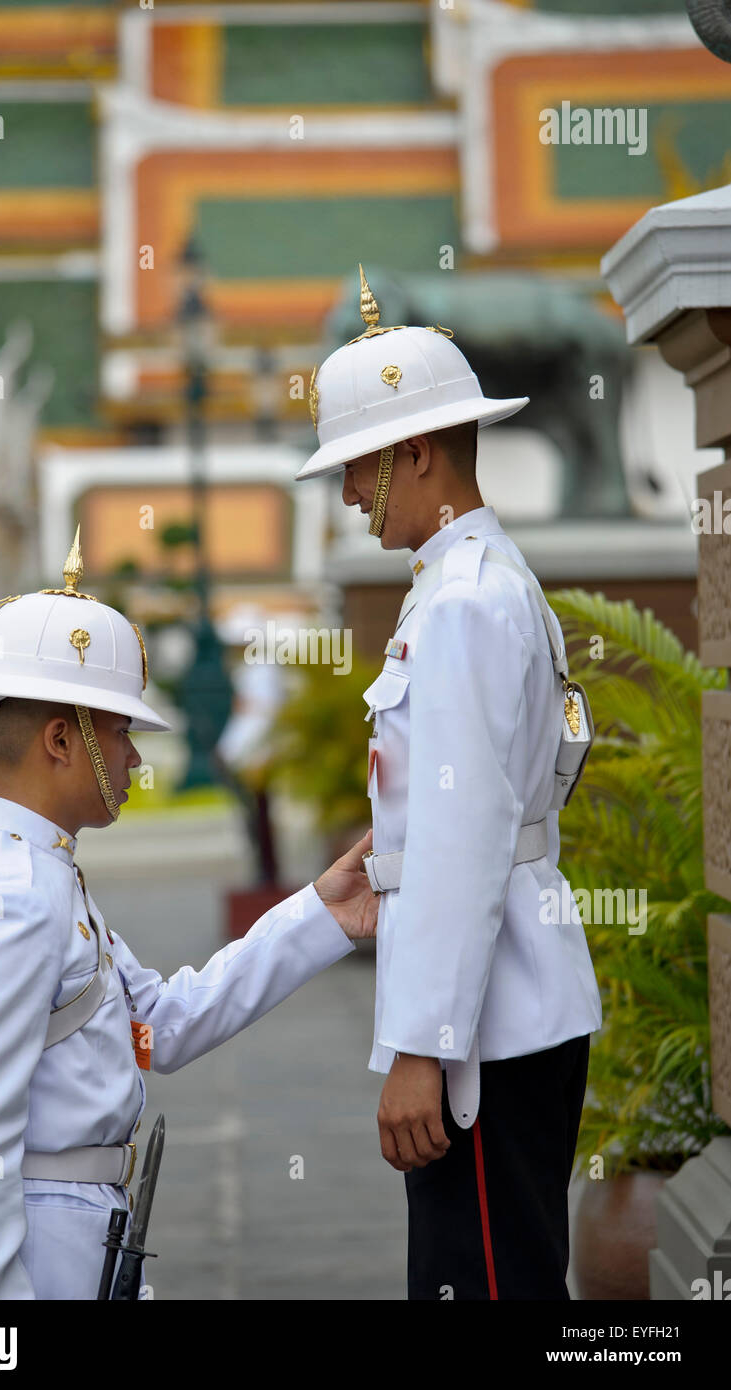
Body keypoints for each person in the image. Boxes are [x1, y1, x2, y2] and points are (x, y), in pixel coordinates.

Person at [0, 531, 377, 1300]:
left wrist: (319, 916)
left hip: (72, 1228)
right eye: (121, 731)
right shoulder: (12, 895)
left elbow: (158, 1022)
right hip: (30, 1253)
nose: (134, 757)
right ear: (60, 740)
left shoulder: (39, 872)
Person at [294, 266, 603, 1300]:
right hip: (509, 998)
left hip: (486, 1025)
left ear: (419, 452)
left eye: (359, 465)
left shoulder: (463, 605)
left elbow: (462, 841)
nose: (345, 492)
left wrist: (422, 1049)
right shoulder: (479, 583)